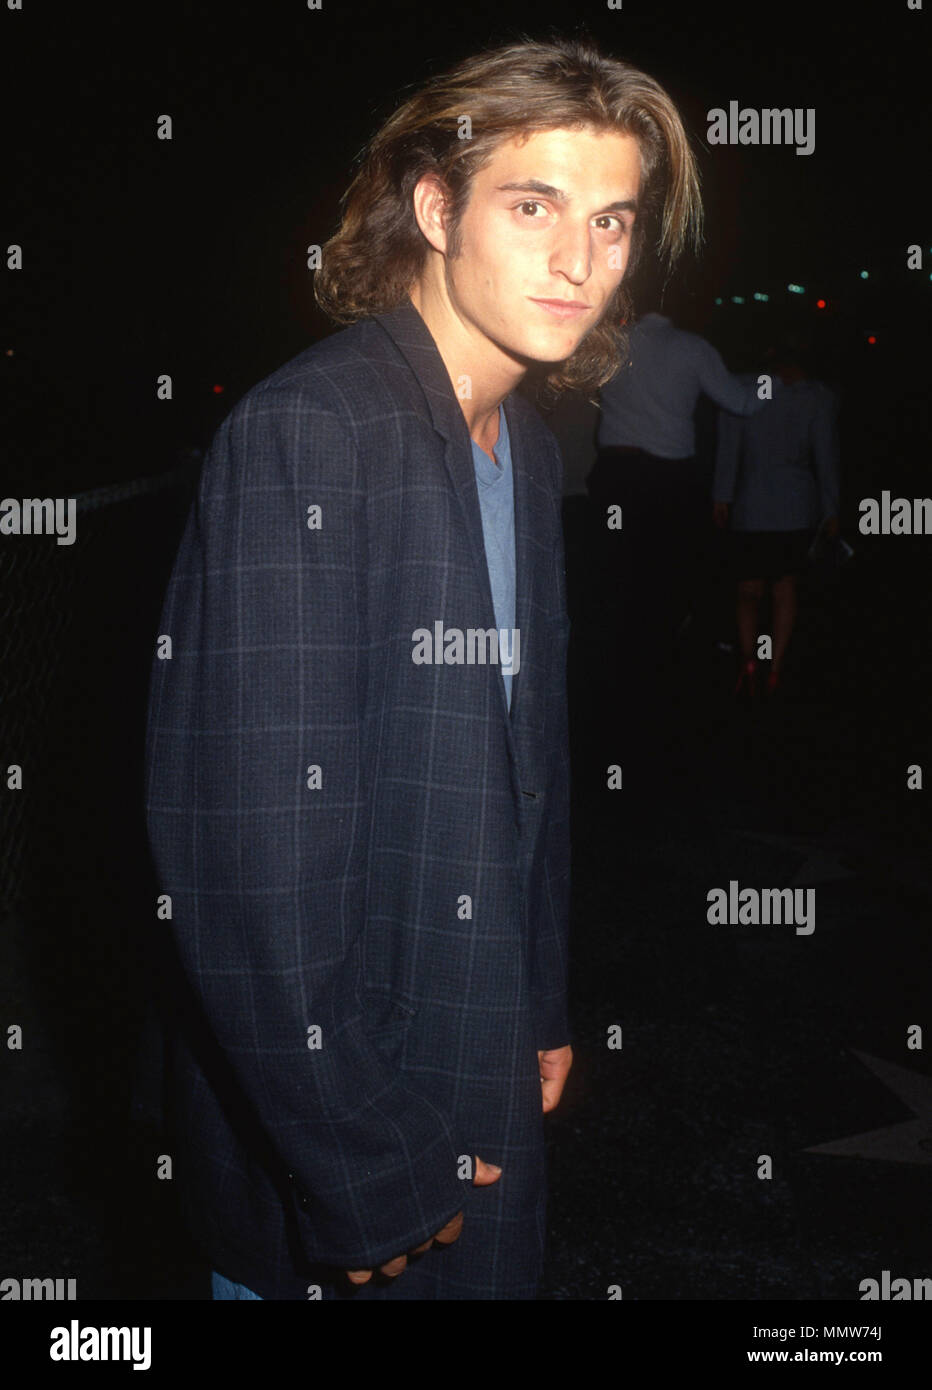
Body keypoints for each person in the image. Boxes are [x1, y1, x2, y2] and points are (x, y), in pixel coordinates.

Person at [143, 36, 701, 1301]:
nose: (580, 260)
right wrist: (354, 1164)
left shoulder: (527, 443)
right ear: (434, 206)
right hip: (344, 1108)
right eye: (532, 204)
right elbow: (245, 861)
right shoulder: (316, 431)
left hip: (468, 1027)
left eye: (612, 220)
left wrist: (537, 1001)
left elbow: (523, 768)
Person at [587, 309, 774, 725]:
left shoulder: (614, 344)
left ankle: (612, 679)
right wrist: (773, 380)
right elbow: (741, 402)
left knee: (617, 575)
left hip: (615, 476)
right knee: (665, 580)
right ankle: (655, 682)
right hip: (665, 481)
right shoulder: (691, 347)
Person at [712, 342, 840, 698]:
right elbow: (825, 455)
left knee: (748, 588)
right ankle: (776, 666)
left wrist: (721, 495)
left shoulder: (744, 387)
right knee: (785, 588)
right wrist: (831, 507)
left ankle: (751, 662)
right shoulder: (816, 396)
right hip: (795, 504)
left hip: (752, 503)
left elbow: (728, 446)